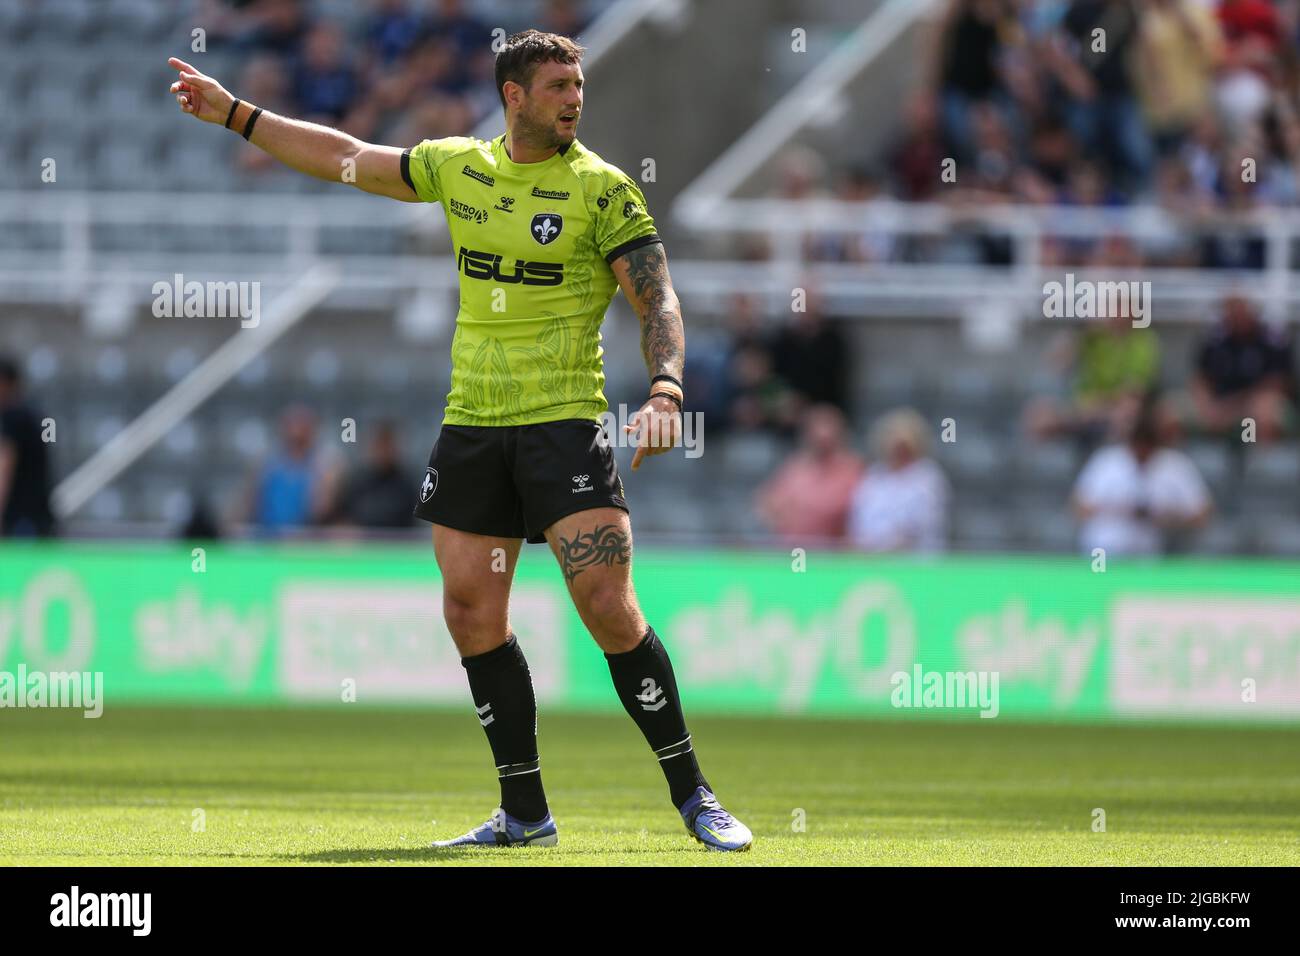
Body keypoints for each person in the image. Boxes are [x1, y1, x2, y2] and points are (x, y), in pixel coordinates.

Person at [167, 30, 752, 851]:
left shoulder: (604, 189)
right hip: (473, 425)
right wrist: (235, 115)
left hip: (564, 424)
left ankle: (696, 797)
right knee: (472, 612)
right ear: (514, 97)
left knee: (608, 608)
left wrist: (665, 389)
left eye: (578, 84)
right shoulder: (457, 167)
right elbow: (348, 155)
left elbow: (658, 300)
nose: (575, 98)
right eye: (557, 86)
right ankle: (525, 814)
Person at [1072, 409, 1212, 556]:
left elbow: (1202, 515)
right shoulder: (1106, 460)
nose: (1141, 452)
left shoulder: (1176, 465)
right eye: (1137, 445)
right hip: (1105, 551)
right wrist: (1119, 510)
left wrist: (1165, 517)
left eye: (1147, 446)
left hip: (1156, 555)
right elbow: (1078, 507)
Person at [1179, 294, 1295, 442]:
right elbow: (1199, 379)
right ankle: (1179, 462)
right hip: (1217, 404)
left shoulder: (1271, 340)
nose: (1236, 316)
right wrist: (1206, 405)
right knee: (1169, 415)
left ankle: (1259, 461)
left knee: (1264, 413)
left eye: (1241, 310)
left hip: (1253, 402)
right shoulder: (1214, 341)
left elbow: (1276, 385)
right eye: (1231, 311)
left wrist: (1231, 408)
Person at [756, 405, 865, 543]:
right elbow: (768, 503)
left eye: (828, 433)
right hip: (796, 552)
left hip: (836, 553)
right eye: (816, 433)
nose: (822, 436)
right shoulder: (794, 469)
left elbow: (860, 512)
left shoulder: (854, 470)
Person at [847, 408, 950, 553]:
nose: (899, 453)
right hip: (871, 563)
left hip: (915, 564)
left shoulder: (928, 477)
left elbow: (914, 529)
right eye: (895, 447)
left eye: (904, 449)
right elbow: (859, 522)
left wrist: (879, 553)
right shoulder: (873, 476)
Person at [0, 356, 55, 538]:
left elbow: (5, 466)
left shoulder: (13, 416)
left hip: (21, 521)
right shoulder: (35, 414)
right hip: (40, 517)